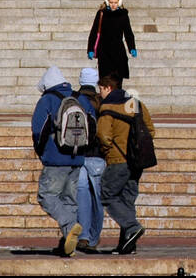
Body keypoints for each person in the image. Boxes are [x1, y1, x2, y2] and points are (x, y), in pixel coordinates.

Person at [96, 73, 156, 254]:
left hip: (117, 160)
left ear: (108, 88)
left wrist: (109, 151)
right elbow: (150, 130)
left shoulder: (107, 107)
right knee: (127, 200)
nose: (100, 94)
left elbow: (103, 135)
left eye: (101, 89)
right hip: (136, 161)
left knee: (106, 194)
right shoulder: (136, 104)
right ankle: (127, 244)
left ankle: (132, 227)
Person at [31, 65, 85, 257]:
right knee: (69, 200)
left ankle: (70, 226)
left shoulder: (47, 100)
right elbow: (92, 126)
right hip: (77, 158)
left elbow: (39, 130)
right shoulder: (80, 99)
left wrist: (42, 151)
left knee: (46, 195)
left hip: (55, 159)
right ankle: (68, 246)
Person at [73, 67, 105, 253]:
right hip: (98, 156)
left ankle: (83, 235)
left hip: (78, 154)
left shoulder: (74, 100)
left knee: (81, 193)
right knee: (98, 198)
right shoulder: (101, 102)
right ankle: (93, 237)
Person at [88, 0, 137, 81]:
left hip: (118, 51)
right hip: (104, 51)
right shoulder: (101, 13)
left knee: (117, 80)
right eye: (111, 2)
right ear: (107, 2)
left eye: (115, 2)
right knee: (105, 80)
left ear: (119, 2)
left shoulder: (123, 15)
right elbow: (94, 32)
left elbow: (128, 32)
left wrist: (132, 48)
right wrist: (90, 49)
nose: (113, 5)